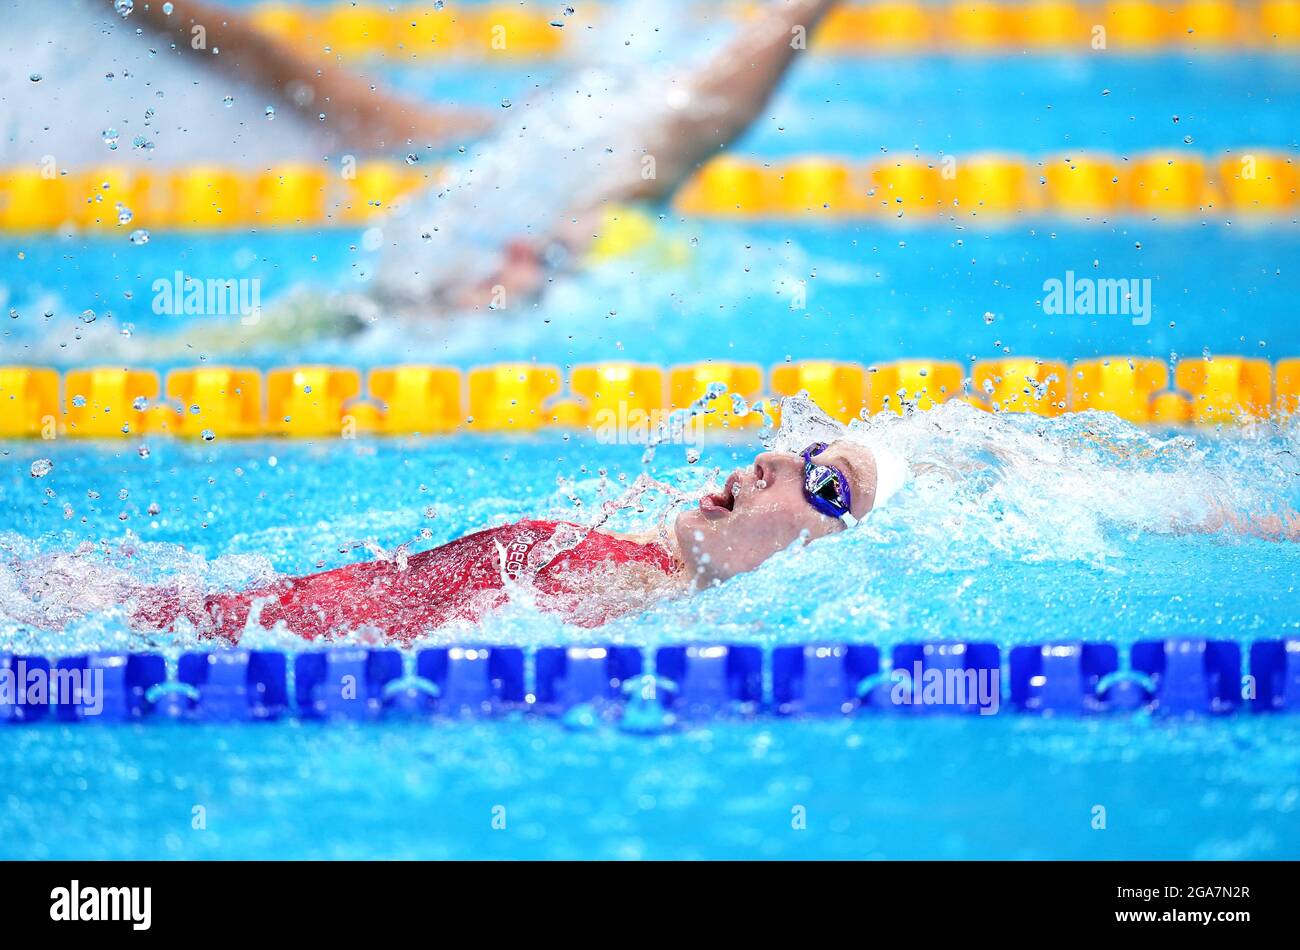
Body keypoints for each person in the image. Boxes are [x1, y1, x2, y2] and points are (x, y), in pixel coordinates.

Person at [131, 438, 906, 641]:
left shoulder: (642, 594)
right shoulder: (617, 568)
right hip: (165, 623)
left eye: (826, 485)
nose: (774, 458)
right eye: (803, 452)